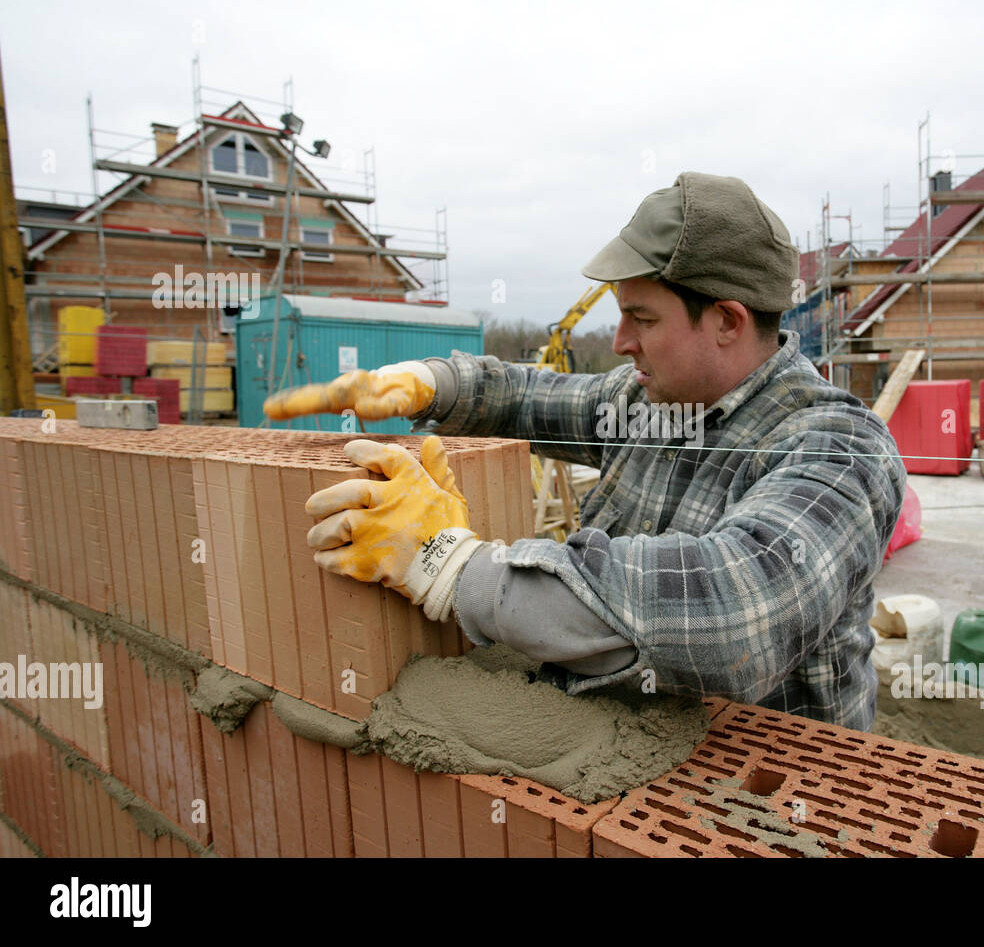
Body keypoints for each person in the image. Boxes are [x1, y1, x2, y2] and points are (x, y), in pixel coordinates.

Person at [264, 172, 907, 731]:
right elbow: (525, 396)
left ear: (727, 321)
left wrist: (452, 567)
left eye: (644, 319)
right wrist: (429, 385)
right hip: (634, 766)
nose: (621, 340)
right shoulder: (649, 402)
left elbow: (734, 616)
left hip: (767, 805)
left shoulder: (839, 449)